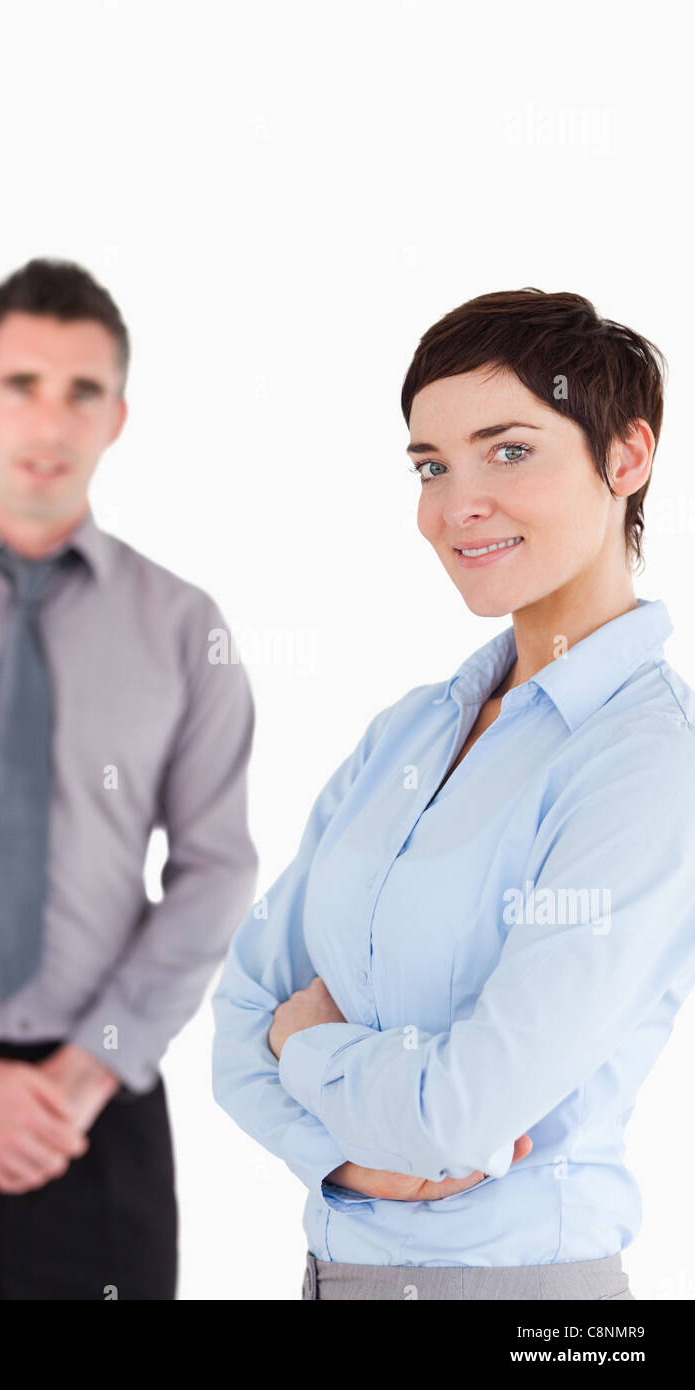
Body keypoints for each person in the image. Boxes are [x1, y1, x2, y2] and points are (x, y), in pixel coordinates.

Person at [212, 287, 695, 1301]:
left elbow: (461, 1113)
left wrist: (305, 1046)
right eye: (430, 465)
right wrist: (339, 1157)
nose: (452, 503)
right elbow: (237, 1014)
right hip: (328, 1277)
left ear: (626, 458)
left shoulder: (647, 763)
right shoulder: (408, 731)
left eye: (507, 450)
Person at [0, 256, 258, 1300]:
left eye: (83, 392)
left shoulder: (180, 625)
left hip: (96, 1109)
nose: (50, 421)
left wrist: (82, 1074)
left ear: (118, 417)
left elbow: (214, 869)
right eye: (22, 384)